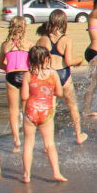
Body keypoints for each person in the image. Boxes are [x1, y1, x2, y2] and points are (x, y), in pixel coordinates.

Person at [35, 9, 87, 145]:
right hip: (64, 75)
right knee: (72, 106)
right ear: (64, 22)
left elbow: (35, 58)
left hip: (49, 76)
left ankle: (49, 138)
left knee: (51, 108)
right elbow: (69, 61)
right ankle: (78, 134)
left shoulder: (42, 39)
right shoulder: (66, 40)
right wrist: (79, 60)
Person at [20, 46, 66, 183]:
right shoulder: (52, 74)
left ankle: (27, 175)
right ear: (47, 59)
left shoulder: (28, 75)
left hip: (31, 110)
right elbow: (60, 93)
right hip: (46, 110)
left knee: (28, 144)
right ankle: (56, 172)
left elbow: (24, 96)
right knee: (50, 144)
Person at [0, 20, 30, 152]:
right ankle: (28, 137)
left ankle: (16, 140)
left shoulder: (5, 45)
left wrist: (9, 69)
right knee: (26, 109)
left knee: (13, 110)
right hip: (25, 75)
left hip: (11, 75)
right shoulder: (28, 44)